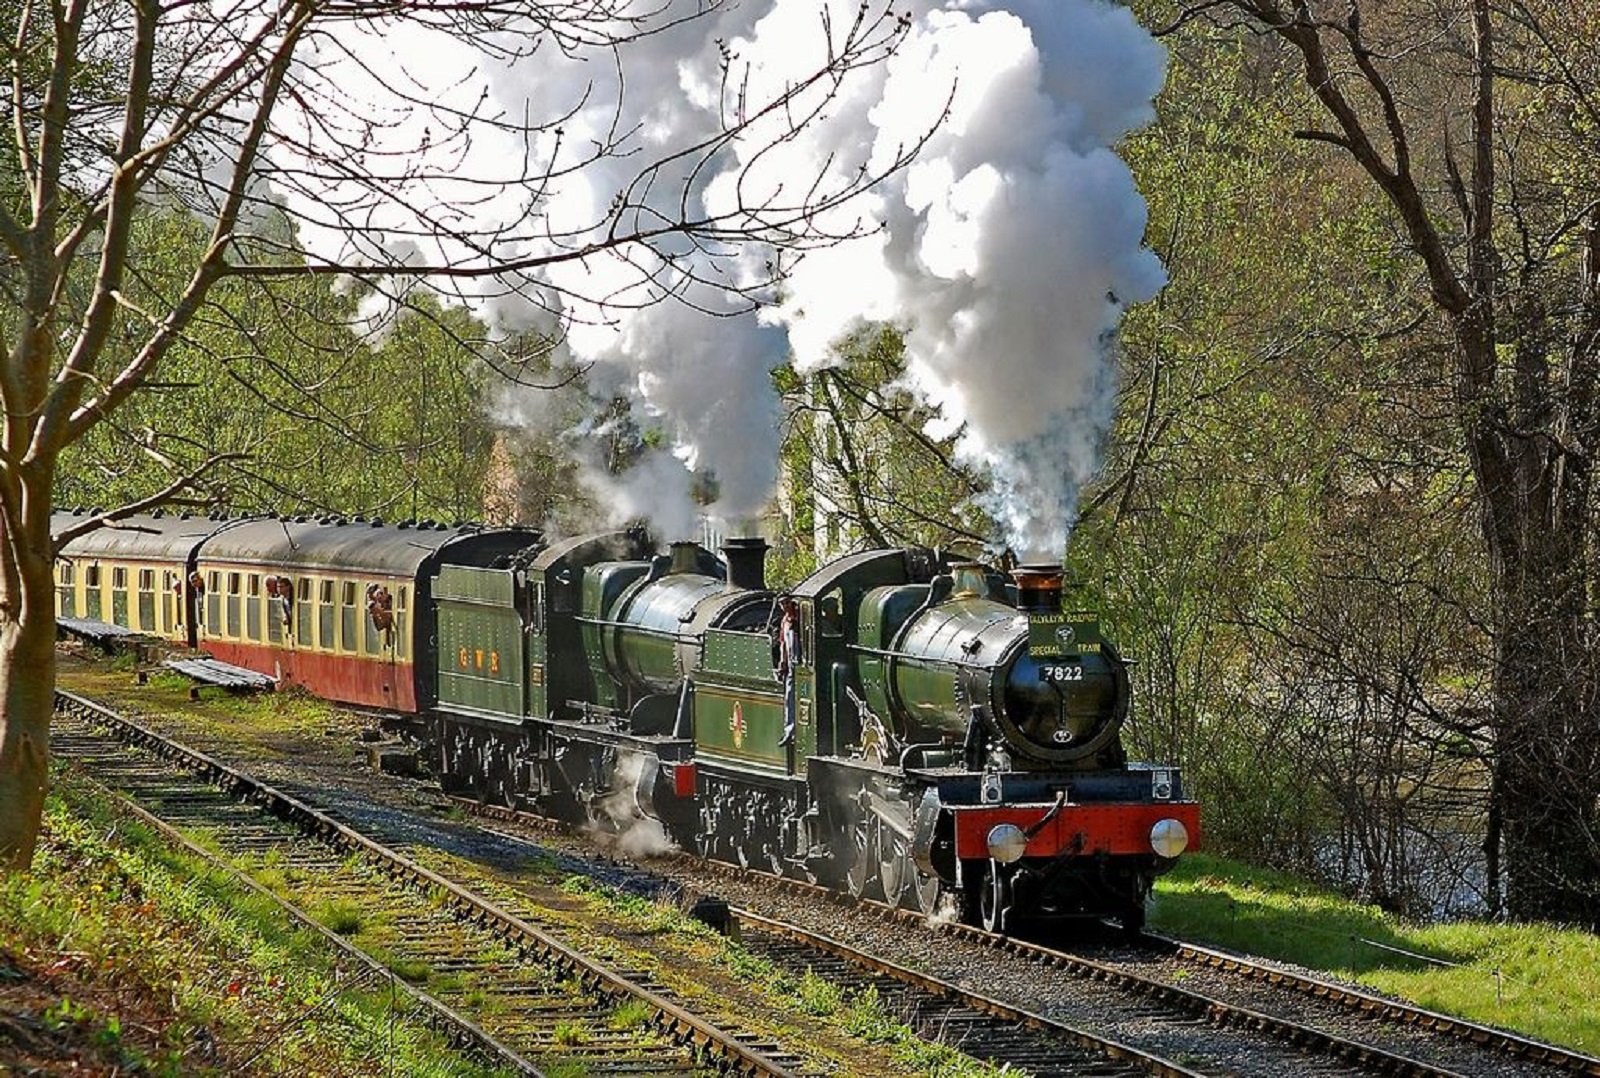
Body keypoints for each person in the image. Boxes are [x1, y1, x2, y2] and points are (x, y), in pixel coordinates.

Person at [777, 596, 799, 747]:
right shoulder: (784, 621)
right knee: (789, 695)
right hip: (791, 662)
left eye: (786, 603)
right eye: (782, 604)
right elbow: (783, 644)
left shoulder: (800, 618)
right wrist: (782, 662)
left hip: (802, 661)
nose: (785, 606)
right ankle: (789, 730)